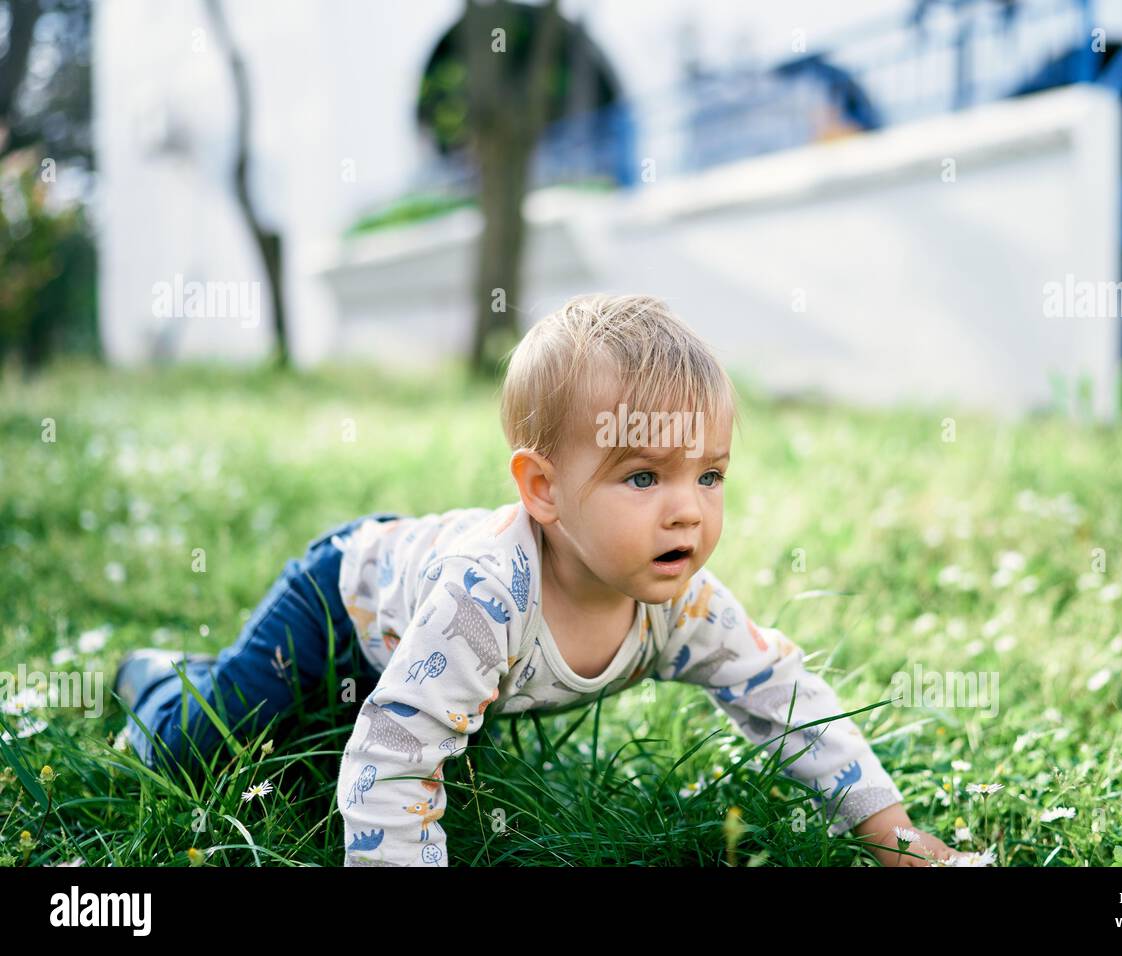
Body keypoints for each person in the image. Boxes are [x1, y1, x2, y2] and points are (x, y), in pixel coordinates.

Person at [115, 292, 957, 867]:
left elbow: (784, 695)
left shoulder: (683, 605)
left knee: (413, 727)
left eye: (709, 476)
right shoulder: (485, 604)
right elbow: (396, 759)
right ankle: (153, 682)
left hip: (423, 655)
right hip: (343, 603)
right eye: (642, 477)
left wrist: (894, 834)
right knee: (201, 746)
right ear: (543, 489)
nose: (687, 513)